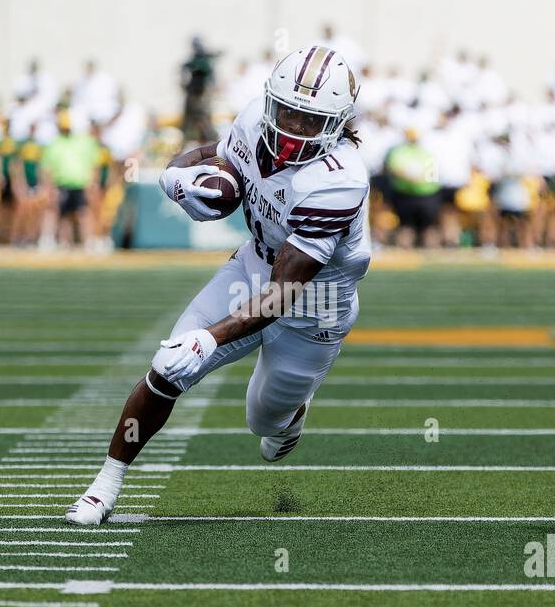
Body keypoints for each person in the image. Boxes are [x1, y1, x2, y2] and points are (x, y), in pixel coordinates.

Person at [66, 44, 368, 525]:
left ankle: (290, 417)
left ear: (337, 124)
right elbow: (216, 156)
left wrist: (210, 338)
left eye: (308, 120)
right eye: (286, 111)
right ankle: (105, 485)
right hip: (253, 265)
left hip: (313, 305)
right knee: (167, 365)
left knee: (262, 422)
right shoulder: (253, 120)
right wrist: (177, 177)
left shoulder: (338, 180)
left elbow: (285, 292)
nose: (291, 128)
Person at [42, 110, 101, 250]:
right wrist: (49, 187)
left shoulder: (85, 141)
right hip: (62, 183)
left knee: (83, 213)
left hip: (81, 183)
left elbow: (94, 164)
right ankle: (63, 243)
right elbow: (47, 168)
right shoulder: (55, 143)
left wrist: (93, 183)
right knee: (63, 215)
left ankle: (89, 242)